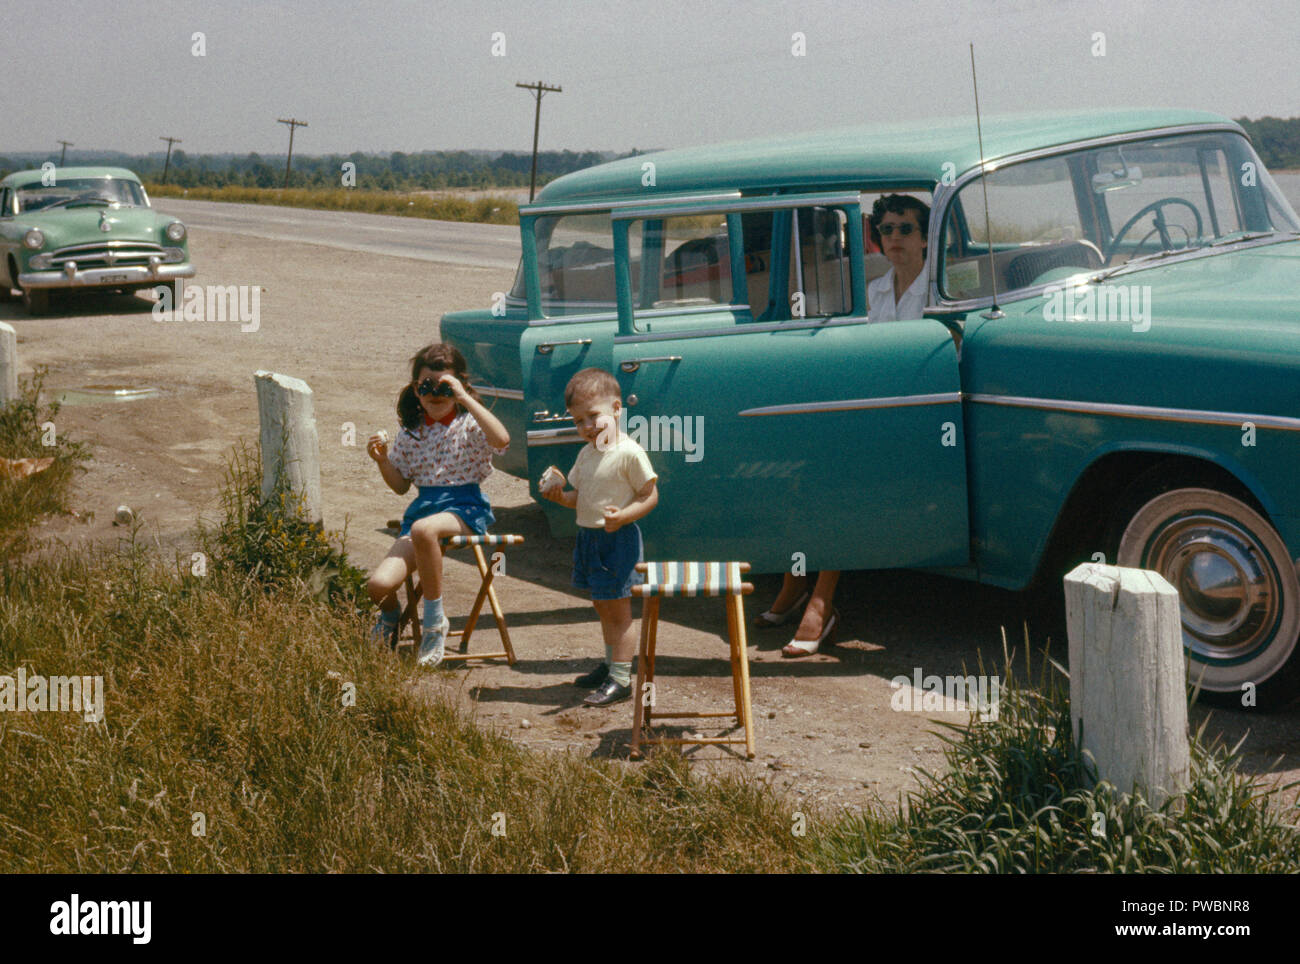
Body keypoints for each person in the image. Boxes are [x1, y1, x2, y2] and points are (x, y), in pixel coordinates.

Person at [758, 194, 932, 657]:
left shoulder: (938, 291)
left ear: (926, 236)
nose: (894, 238)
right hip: (881, 415)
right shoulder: (874, 292)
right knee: (804, 460)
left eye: (905, 229)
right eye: (886, 230)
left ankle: (822, 600)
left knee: (839, 476)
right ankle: (796, 577)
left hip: (925, 421)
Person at [365, 343, 510, 667]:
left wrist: (465, 398)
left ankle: (434, 622)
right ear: (416, 390)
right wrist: (382, 461)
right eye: (427, 386)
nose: (435, 394)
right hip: (423, 512)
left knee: (424, 529)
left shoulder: (469, 424)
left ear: (458, 386)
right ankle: (390, 618)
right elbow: (401, 486)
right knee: (378, 585)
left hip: (464, 507)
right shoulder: (411, 434)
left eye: (444, 387)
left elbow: (501, 440)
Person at [540, 368, 659, 706]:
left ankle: (621, 679)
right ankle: (610, 665)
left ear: (617, 409)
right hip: (589, 537)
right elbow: (581, 495)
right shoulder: (586, 454)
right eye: (579, 421)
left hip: (618, 539)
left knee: (619, 610)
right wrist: (561, 496)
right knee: (601, 603)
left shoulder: (629, 452)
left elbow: (650, 495)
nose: (587, 427)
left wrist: (623, 516)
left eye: (593, 416)